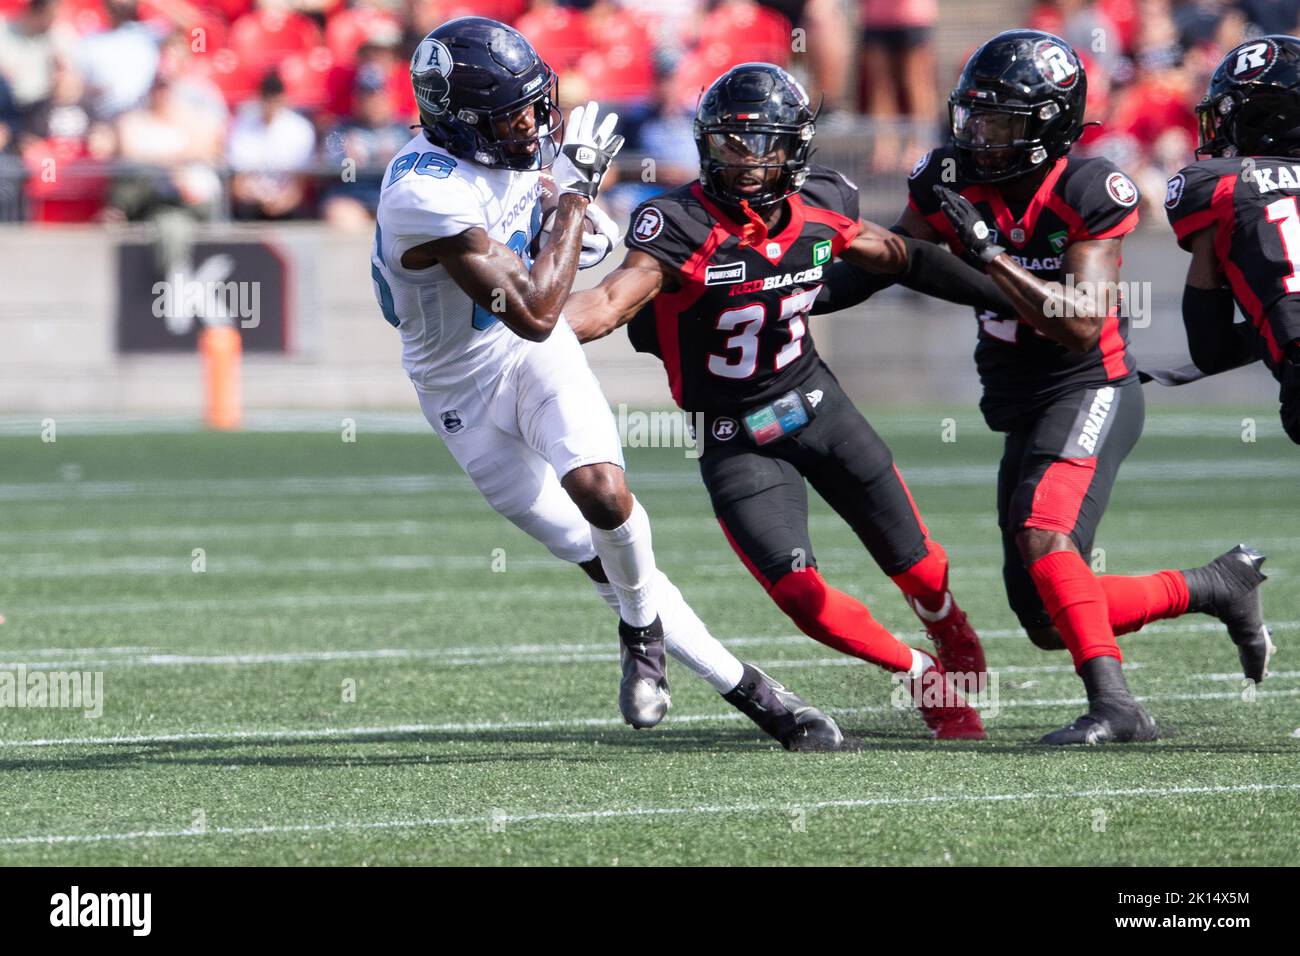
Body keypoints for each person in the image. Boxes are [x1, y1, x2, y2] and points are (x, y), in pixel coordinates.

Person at [371, 18, 844, 751]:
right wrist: (570, 200)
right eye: (511, 116)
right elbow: (531, 306)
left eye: (535, 106)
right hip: (459, 388)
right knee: (585, 547)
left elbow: (562, 274)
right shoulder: (422, 194)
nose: (533, 126)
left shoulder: (513, 147)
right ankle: (752, 689)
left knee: (603, 493)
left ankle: (647, 640)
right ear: (460, 123)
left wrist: (574, 215)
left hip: (532, 357)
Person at [566, 63, 1037, 740]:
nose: (747, 161)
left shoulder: (823, 202)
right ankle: (922, 674)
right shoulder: (676, 222)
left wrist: (1009, 296)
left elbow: (901, 257)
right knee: (801, 597)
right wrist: (527, 324)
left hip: (816, 402)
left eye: (764, 145)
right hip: (733, 435)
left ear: (796, 149)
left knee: (920, 564)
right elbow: (610, 304)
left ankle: (946, 621)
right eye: (731, 143)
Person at [893, 30, 1271, 744]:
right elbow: (896, 254)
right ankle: (1214, 586)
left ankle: (1117, 706)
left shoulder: (1087, 187)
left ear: (1048, 128)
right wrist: (805, 272)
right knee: (1040, 616)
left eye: (1002, 123)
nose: (981, 136)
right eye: (976, 117)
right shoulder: (950, 178)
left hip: (1089, 383)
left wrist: (988, 254)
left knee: (1044, 535)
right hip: (1022, 401)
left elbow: (1079, 322)